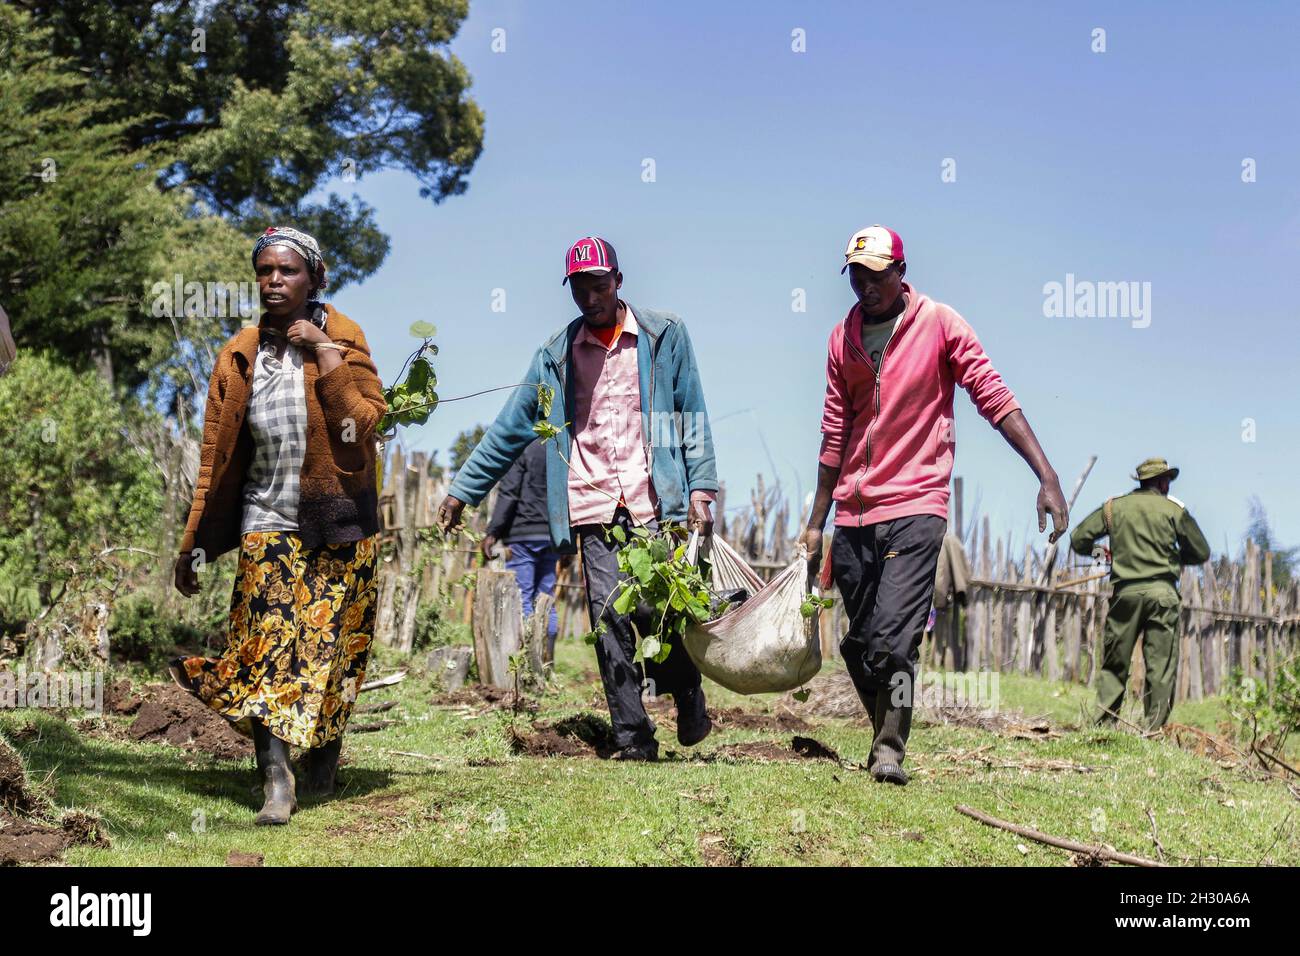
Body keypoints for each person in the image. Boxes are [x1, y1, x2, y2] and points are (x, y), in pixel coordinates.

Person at [800, 225, 1068, 785]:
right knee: (859, 643)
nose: (866, 286)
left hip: (917, 503)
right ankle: (882, 733)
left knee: (894, 640)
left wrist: (1045, 474)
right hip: (853, 511)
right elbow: (833, 429)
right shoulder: (840, 339)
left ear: (901, 272)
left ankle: (891, 748)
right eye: (856, 275)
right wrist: (816, 520)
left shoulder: (939, 324)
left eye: (876, 275)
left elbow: (993, 395)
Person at [437, 236, 718, 761]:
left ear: (618, 281)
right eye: (580, 288)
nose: (590, 297)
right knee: (609, 614)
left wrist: (701, 486)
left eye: (599, 284)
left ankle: (687, 695)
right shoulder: (554, 355)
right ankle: (633, 737)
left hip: (654, 500)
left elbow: (692, 413)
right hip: (592, 501)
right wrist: (462, 490)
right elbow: (511, 428)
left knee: (659, 611)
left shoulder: (664, 336)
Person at [170, 226, 387, 824]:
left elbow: (366, 424)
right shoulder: (241, 352)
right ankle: (275, 778)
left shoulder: (345, 337)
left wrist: (324, 352)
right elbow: (214, 455)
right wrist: (193, 543)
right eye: (264, 271)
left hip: (340, 520)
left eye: (287, 271)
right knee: (263, 646)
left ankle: (323, 755)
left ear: (315, 277)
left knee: (333, 649)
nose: (273, 281)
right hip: (266, 519)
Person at [1070, 457, 1210, 729]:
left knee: (1115, 661)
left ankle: (1102, 724)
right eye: (1167, 480)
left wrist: (1104, 555)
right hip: (1163, 594)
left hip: (1126, 593)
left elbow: (1079, 540)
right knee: (1160, 665)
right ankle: (1153, 729)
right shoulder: (1174, 510)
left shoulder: (1114, 507)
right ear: (1162, 482)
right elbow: (1201, 551)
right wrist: (1174, 559)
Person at [483, 439, 562, 658]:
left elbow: (509, 492)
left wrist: (493, 532)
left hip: (524, 534)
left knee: (522, 598)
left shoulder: (522, 447)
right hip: (554, 534)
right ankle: (546, 660)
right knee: (546, 599)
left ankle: (526, 661)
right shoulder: (563, 447)